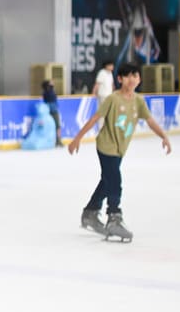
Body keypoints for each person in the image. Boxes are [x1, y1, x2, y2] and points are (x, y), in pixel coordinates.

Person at [68, 62, 172, 242]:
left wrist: (163, 136)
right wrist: (77, 138)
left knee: (107, 181)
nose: (132, 80)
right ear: (120, 79)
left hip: (119, 148)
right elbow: (95, 118)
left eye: (135, 76)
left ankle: (90, 212)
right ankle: (114, 216)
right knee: (115, 181)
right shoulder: (112, 99)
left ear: (139, 79)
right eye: (128, 76)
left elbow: (149, 120)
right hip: (106, 146)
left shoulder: (138, 101)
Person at [41, 79, 62, 146]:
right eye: (51, 83)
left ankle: (58, 140)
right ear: (48, 85)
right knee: (56, 126)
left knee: (57, 126)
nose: (52, 83)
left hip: (50, 110)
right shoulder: (48, 92)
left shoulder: (47, 92)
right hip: (51, 111)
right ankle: (57, 141)